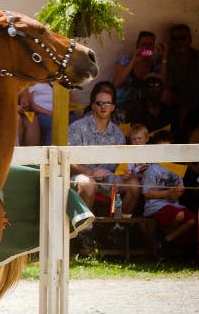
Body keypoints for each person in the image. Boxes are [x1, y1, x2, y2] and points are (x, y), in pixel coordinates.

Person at [68, 81, 133, 213]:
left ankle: (117, 225)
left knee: (134, 186)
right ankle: (85, 228)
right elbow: (69, 161)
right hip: (82, 177)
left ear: (113, 107)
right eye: (99, 103)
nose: (103, 106)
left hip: (109, 179)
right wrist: (90, 173)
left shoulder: (118, 134)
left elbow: (121, 166)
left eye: (107, 103)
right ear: (93, 106)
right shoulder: (77, 127)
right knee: (88, 183)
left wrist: (125, 172)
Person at [142, 130, 198, 260]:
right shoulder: (152, 170)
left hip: (174, 205)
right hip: (155, 206)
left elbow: (181, 189)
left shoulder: (176, 169)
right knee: (179, 215)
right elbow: (147, 193)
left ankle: (165, 241)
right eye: (161, 149)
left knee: (193, 220)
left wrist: (178, 193)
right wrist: (167, 193)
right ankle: (165, 243)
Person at [161, 23, 199, 141]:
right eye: (175, 39)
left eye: (182, 38)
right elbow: (164, 85)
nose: (179, 42)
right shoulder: (170, 58)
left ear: (190, 39)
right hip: (175, 106)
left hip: (196, 105)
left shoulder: (198, 58)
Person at [111, 30, 163, 118]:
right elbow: (117, 83)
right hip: (122, 106)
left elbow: (163, 85)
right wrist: (133, 61)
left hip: (144, 109)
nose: (147, 47)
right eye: (143, 44)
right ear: (137, 46)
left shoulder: (155, 66)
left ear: (153, 47)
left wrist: (164, 58)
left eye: (150, 45)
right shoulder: (125, 60)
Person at [125, 73, 178, 139]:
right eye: (150, 85)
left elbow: (174, 135)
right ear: (145, 89)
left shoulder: (169, 112)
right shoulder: (135, 110)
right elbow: (130, 134)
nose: (154, 89)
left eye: (157, 86)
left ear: (162, 89)